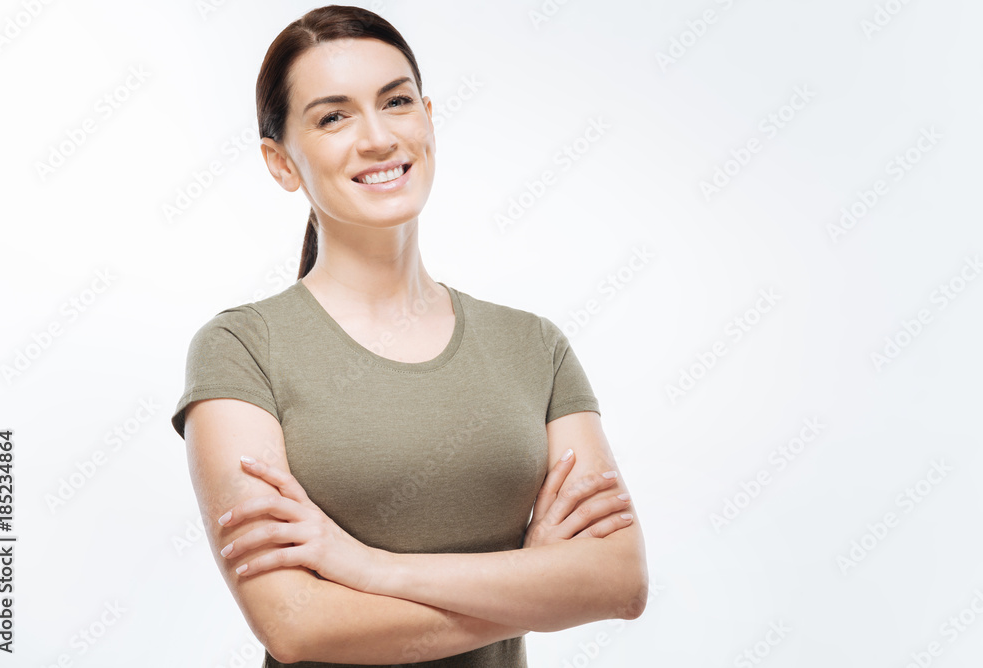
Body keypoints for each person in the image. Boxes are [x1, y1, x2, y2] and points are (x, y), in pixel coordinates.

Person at [170, 5, 648, 666]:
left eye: (395, 102)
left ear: (427, 117)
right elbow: (295, 626)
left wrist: (365, 565)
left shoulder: (534, 346)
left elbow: (619, 582)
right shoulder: (243, 350)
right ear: (281, 164)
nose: (377, 139)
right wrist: (535, 583)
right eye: (333, 117)